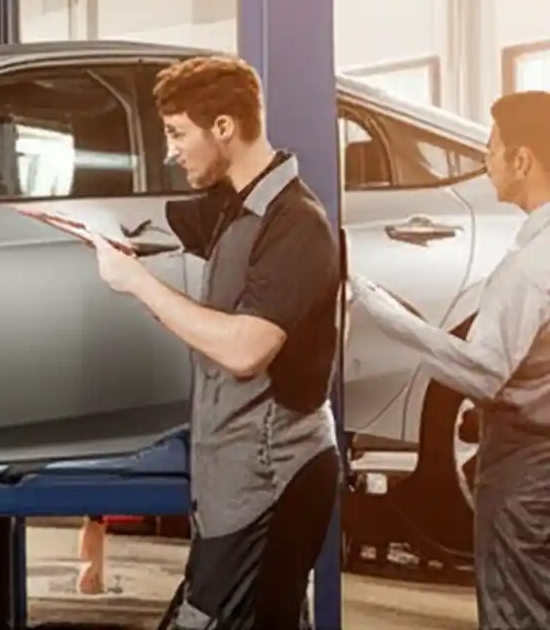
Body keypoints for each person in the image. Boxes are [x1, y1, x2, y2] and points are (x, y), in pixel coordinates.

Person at [85, 55, 343, 628]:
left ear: (223, 127)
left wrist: (136, 285)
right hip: (235, 479)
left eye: (178, 134)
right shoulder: (236, 207)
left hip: (271, 478)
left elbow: (245, 350)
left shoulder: (296, 223)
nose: (171, 151)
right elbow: (163, 223)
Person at [349, 90, 550, 629]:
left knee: (518, 601)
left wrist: (391, 318)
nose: (485, 162)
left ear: (522, 160)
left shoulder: (530, 267)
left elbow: (484, 374)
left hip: (527, 464)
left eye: (491, 150)